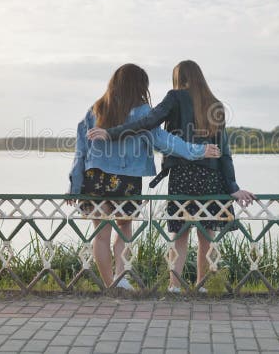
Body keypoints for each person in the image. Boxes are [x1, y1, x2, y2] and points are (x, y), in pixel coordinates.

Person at [88, 60, 256, 293]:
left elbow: (148, 124)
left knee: (179, 234)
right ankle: (201, 286)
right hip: (212, 176)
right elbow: (224, 152)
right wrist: (233, 187)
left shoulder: (175, 97)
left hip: (182, 175)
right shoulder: (215, 105)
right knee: (207, 234)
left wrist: (111, 133)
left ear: (179, 78)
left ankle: (174, 287)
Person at [69, 63, 220, 291]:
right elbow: (162, 140)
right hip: (126, 180)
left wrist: (74, 185)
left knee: (101, 235)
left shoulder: (95, 109)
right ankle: (121, 279)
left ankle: (109, 285)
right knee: (124, 229)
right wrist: (198, 150)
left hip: (95, 179)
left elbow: (80, 151)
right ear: (140, 86)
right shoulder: (141, 112)